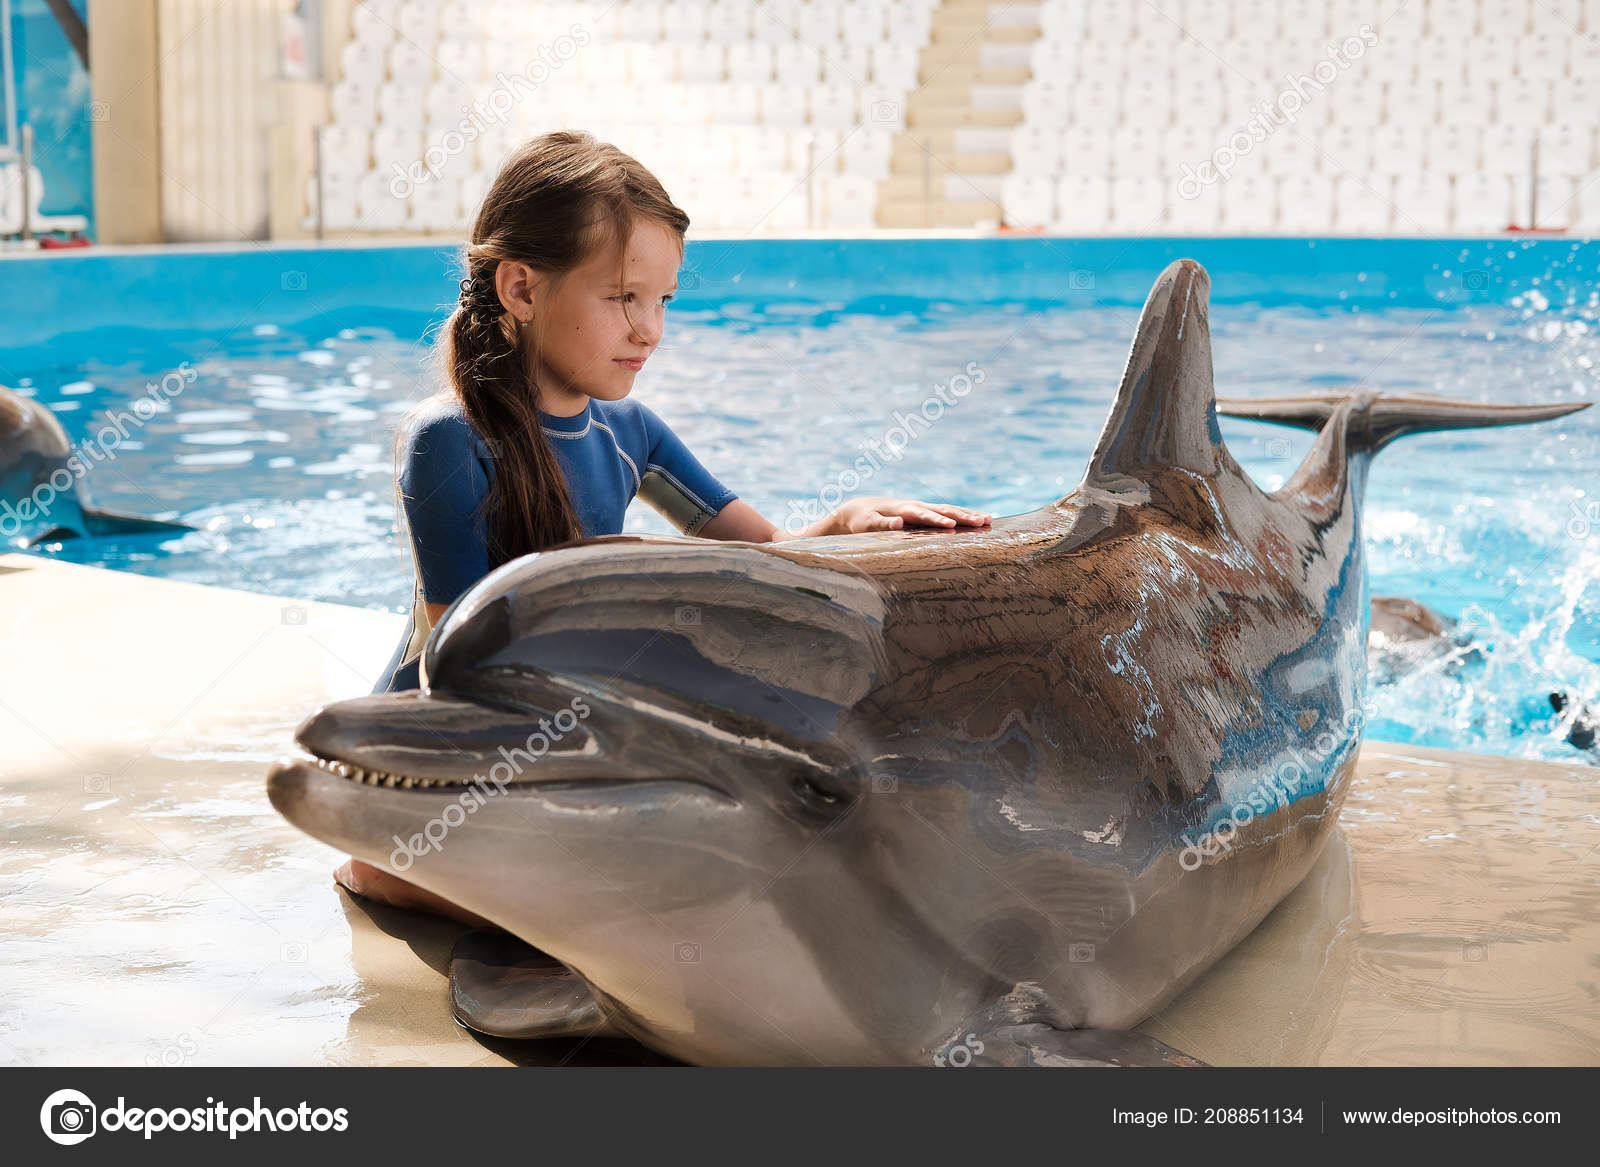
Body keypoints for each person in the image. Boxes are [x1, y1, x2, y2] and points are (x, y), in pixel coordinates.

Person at [337, 130, 992, 923]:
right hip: (436, 756)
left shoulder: (628, 432)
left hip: (556, 723)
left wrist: (848, 521)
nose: (649, 329)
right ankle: (379, 867)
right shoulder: (451, 439)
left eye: (662, 301)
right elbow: (457, 666)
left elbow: (770, 558)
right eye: (622, 297)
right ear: (521, 288)